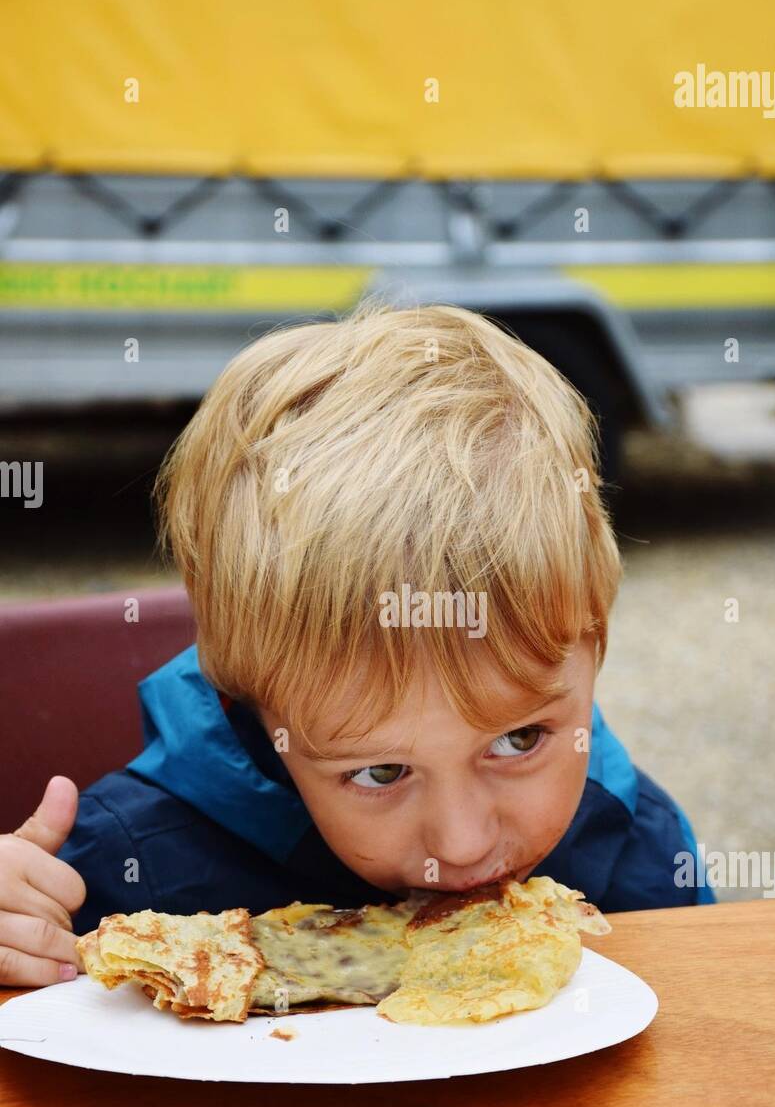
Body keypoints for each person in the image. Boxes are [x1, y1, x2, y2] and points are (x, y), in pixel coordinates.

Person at [0, 303, 713, 987]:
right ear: (250, 705)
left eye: (520, 739)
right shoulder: (124, 878)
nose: (461, 844)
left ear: (594, 647)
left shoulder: (633, 844)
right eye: (379, 773)